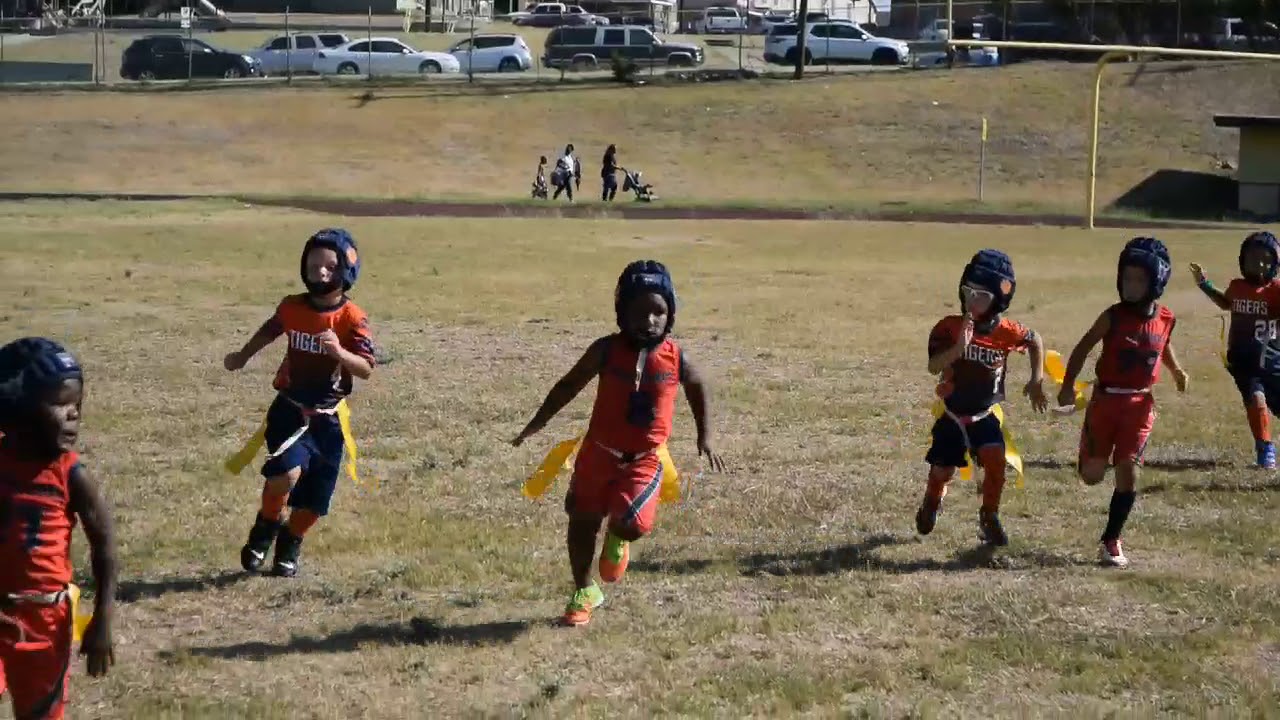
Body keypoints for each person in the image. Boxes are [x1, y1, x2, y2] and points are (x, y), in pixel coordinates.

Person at [511, 260, 725, 627]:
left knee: (632, 524)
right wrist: (539, 421)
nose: (649, 321)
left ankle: (618, 535)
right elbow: (569, 384)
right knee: (581, 521)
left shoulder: (676, 357)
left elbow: (698, 386)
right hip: (597, 453)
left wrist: (705, 436)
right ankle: (584, 589)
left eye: (659, 311)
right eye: (639, 312)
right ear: (620, 313)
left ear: (671, 314)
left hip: (644, 458)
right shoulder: (606, 351)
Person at [224, 228, 376, 578]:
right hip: (290, 410)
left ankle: (290, 541)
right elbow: (270, 330)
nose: (320, 272)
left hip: (328, 420)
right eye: (313, 264)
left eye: (329, 266)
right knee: (284, 475)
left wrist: (339, 352)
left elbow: (366, 368)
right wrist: (243, 356)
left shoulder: (352, 318)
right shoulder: (291, 307)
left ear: (346, 272)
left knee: (314, 503)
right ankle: (265, 528)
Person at [0, 338, 117, 720]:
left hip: (44, 623)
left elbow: (104, 547)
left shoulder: (71, 475)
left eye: (78, 406)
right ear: (17, 408)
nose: (74, 416)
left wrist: (102, 621)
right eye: (62, 404)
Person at [1057, 237, 1188, 568]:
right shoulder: (1112, 317)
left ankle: (1111, 540)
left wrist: (1176, 371)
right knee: (1091, 475)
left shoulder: (1166, 317)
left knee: (1128, 471)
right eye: (1126, 278)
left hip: (1140, 406)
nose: (1131, 286)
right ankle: (1089, 451)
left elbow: (1163, 345)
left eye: (1139, 280)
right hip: (1105, 402)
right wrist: (1068, 385)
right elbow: (1084, 346)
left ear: (1157, 281)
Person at [919, 249, 1048, 546]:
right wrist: (957, 350)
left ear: (999, 300)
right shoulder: (949, 327)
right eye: (967, 293)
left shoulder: (1005, 331)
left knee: (996, 462)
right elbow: (932, 366)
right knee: (943, 469)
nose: (971, 302)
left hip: (984, 413)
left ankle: (989, 515)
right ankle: (932, 498)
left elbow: (1034, 339)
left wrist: (1036, 378)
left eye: (981, 296)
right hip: (952, 413)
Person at [1189, 231, 1280, 468]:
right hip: (1242, 359)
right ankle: (1265, 448)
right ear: (1242, 261)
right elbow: (1226, 303)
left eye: (1266, 260)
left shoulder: (1276, 291)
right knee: (1255, 398)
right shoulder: (1236, 287)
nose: (1259, 265)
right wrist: (1204, 284)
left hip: (1270, 359)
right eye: (1253, 259)